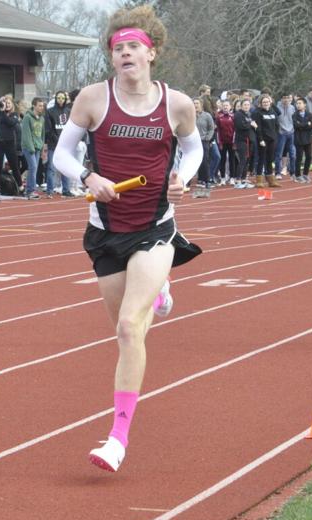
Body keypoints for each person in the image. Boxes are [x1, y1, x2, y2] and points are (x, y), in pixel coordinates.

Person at [50, 5, 203, 472]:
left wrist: (185, 175)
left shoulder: (176, 104)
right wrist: (87, 177)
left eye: (132, 47)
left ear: (151, 52)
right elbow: (61, 152)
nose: (124, 55)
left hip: (155, 229)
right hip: (105, 232)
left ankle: (117, 437)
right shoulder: (93, 99)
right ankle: (159, 295)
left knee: (128, 328)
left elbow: (194, 147)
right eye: (117, 49)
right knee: (124, 331)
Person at [0, 94, 22, 195]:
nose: (7, 105)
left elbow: (10, 123)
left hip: (10, 144)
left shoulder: (14, 114)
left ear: (12, 105)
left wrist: (3, 113)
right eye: (5, 103)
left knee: (14, 167)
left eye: (9, 103)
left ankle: (21, 187)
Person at [45, 91, 73, 196]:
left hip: (65, 145)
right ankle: (50, 190)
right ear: (56, 99)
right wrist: (56, 139)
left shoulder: (68, 111)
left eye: (62, 98)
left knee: (65, 168)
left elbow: (71, 128)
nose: (60, 100)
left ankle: (66, 190)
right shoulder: (50, 111)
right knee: (51, 167)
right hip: (53, 144)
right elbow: (48, 129)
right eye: (58, 98)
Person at [252, 93, 280, 187]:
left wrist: (275, 136)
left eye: (267, 102)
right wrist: (260, 139)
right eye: (264, 102)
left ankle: (271, 180)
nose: (266, 103)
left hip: (272, 139)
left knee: (270, 159)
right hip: (263, 140)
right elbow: (257, 128)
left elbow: (276, 125)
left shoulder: (273, 112)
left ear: (270, 102)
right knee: (261, 159)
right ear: (260, 103)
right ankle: (259, 179)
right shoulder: (257, 113)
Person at [20, 96, 46, 198]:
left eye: (42, 106)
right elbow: (26, 134)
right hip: (28, 147)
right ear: (34, 106)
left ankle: (30, 190)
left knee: (33, 168)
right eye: (39, 106)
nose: (41, 107)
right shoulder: (27, 117)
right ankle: (30, 190)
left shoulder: (42, 119)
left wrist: (42, 146)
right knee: (33, 167)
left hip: (38, 147)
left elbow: (42, 134)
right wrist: (31, 148)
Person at [292, 97, 312, 183]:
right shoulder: (294, 115)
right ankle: (298, 175)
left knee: (309, 157)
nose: (298, 105)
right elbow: (296, 126)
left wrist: (302, 125)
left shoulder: (309, 114)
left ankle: (305, 174)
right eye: (297, 103)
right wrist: (306, 124)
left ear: (304, 104)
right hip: (299, 139)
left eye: (300, 103)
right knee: (299, 158)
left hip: (308, 139)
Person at [194, 97, 216, 187]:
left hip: (204, 141)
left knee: (204, 161)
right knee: (193, 161)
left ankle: (206, 180)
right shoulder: (190, 115)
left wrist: (208, 137)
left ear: (201, 104)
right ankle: (188, 182)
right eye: (194, 103)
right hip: (193, 141)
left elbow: (211, 128)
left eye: (197, 103)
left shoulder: (207, 115)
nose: (195, 105)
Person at [215, 99, 236, 185]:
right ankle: (223, 177)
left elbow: (235, 130)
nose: (225, 107)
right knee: (222, 160)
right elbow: (218, 131)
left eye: (227, 105)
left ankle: (232, 177)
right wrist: (219, 142)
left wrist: (235, 142)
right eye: (224, 105)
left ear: (230, 107)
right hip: (222, 142)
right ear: (222, 107)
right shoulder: (218, 117)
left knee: (232, 160)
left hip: (232, 142)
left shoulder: (233, 116)